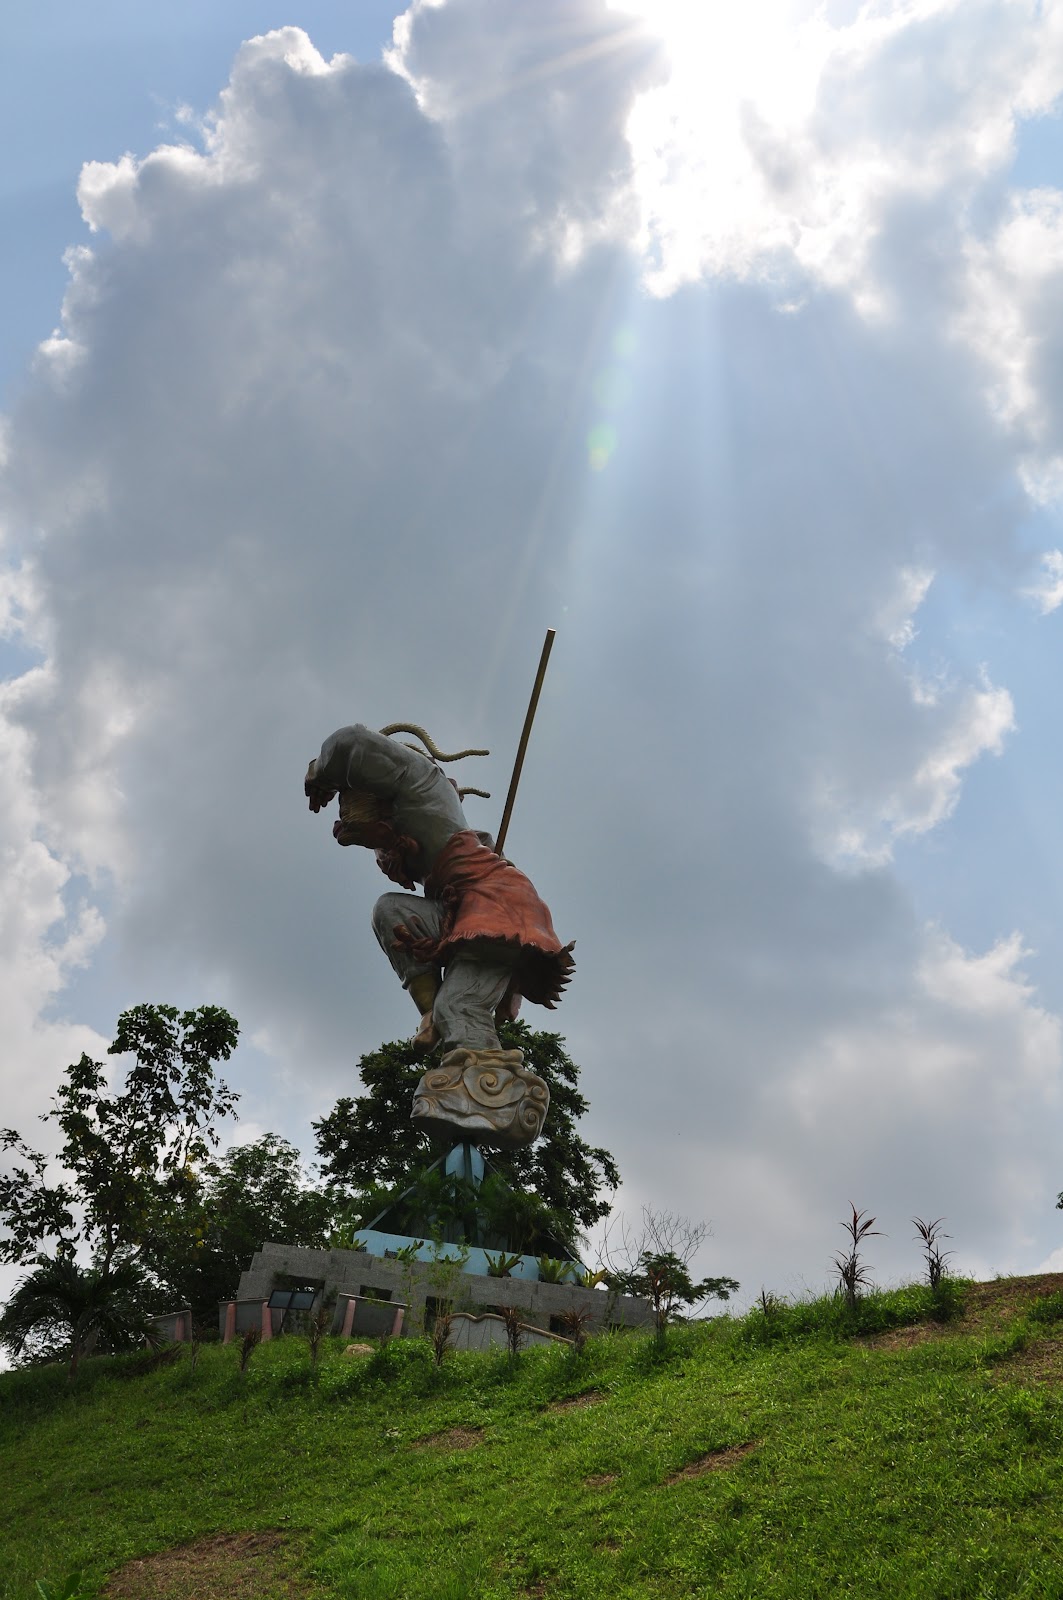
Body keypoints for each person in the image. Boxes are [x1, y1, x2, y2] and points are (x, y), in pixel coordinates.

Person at [304, 723, 574, 1060]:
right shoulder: (400, 837)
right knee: (390, 911)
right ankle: (431, 1014)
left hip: (496, 906)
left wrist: (320, 772)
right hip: (457, 910)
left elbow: (352, 741)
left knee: (458, 1009)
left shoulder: (423, 786)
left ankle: (490, 1082)